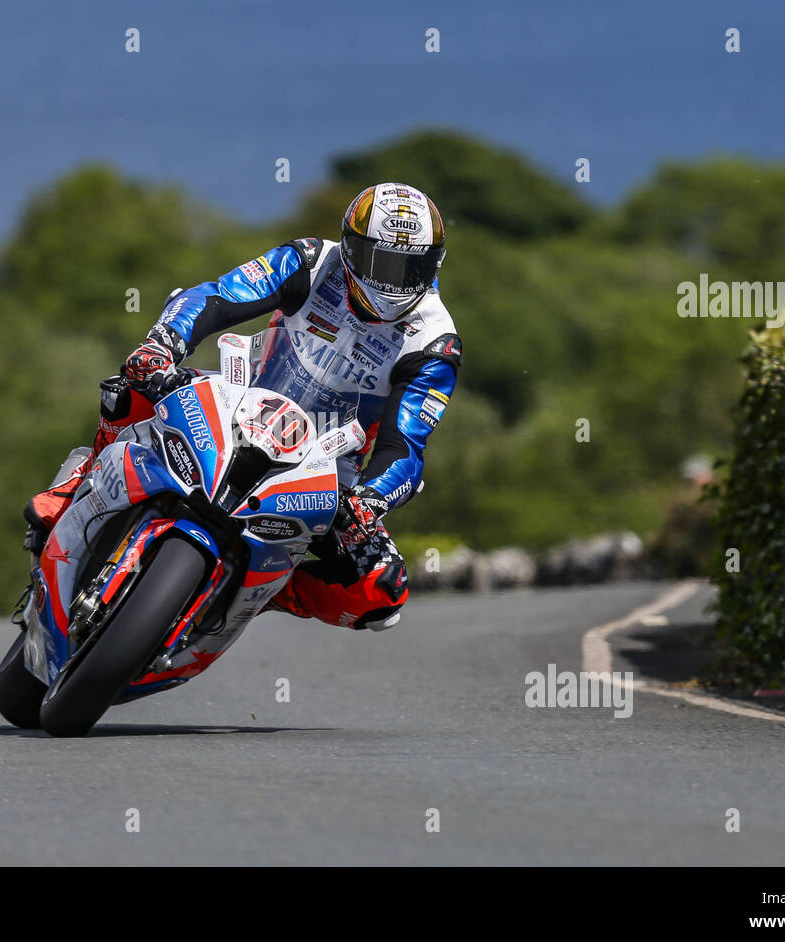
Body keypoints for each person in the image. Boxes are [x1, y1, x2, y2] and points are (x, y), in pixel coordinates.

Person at [24, 182, 461, 632]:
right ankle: (73, 488)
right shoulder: (310, 261)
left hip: (325, 465)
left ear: (435, 265)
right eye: (382, 263)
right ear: (351, 249)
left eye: (412, 268)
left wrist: (367, 501)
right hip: (235, 401)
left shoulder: (435, 343)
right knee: (129, 388)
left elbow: (405, 449)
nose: (394, 282)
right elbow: (215, 297)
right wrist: (162, 345)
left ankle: (266, 590)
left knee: (382, 592)